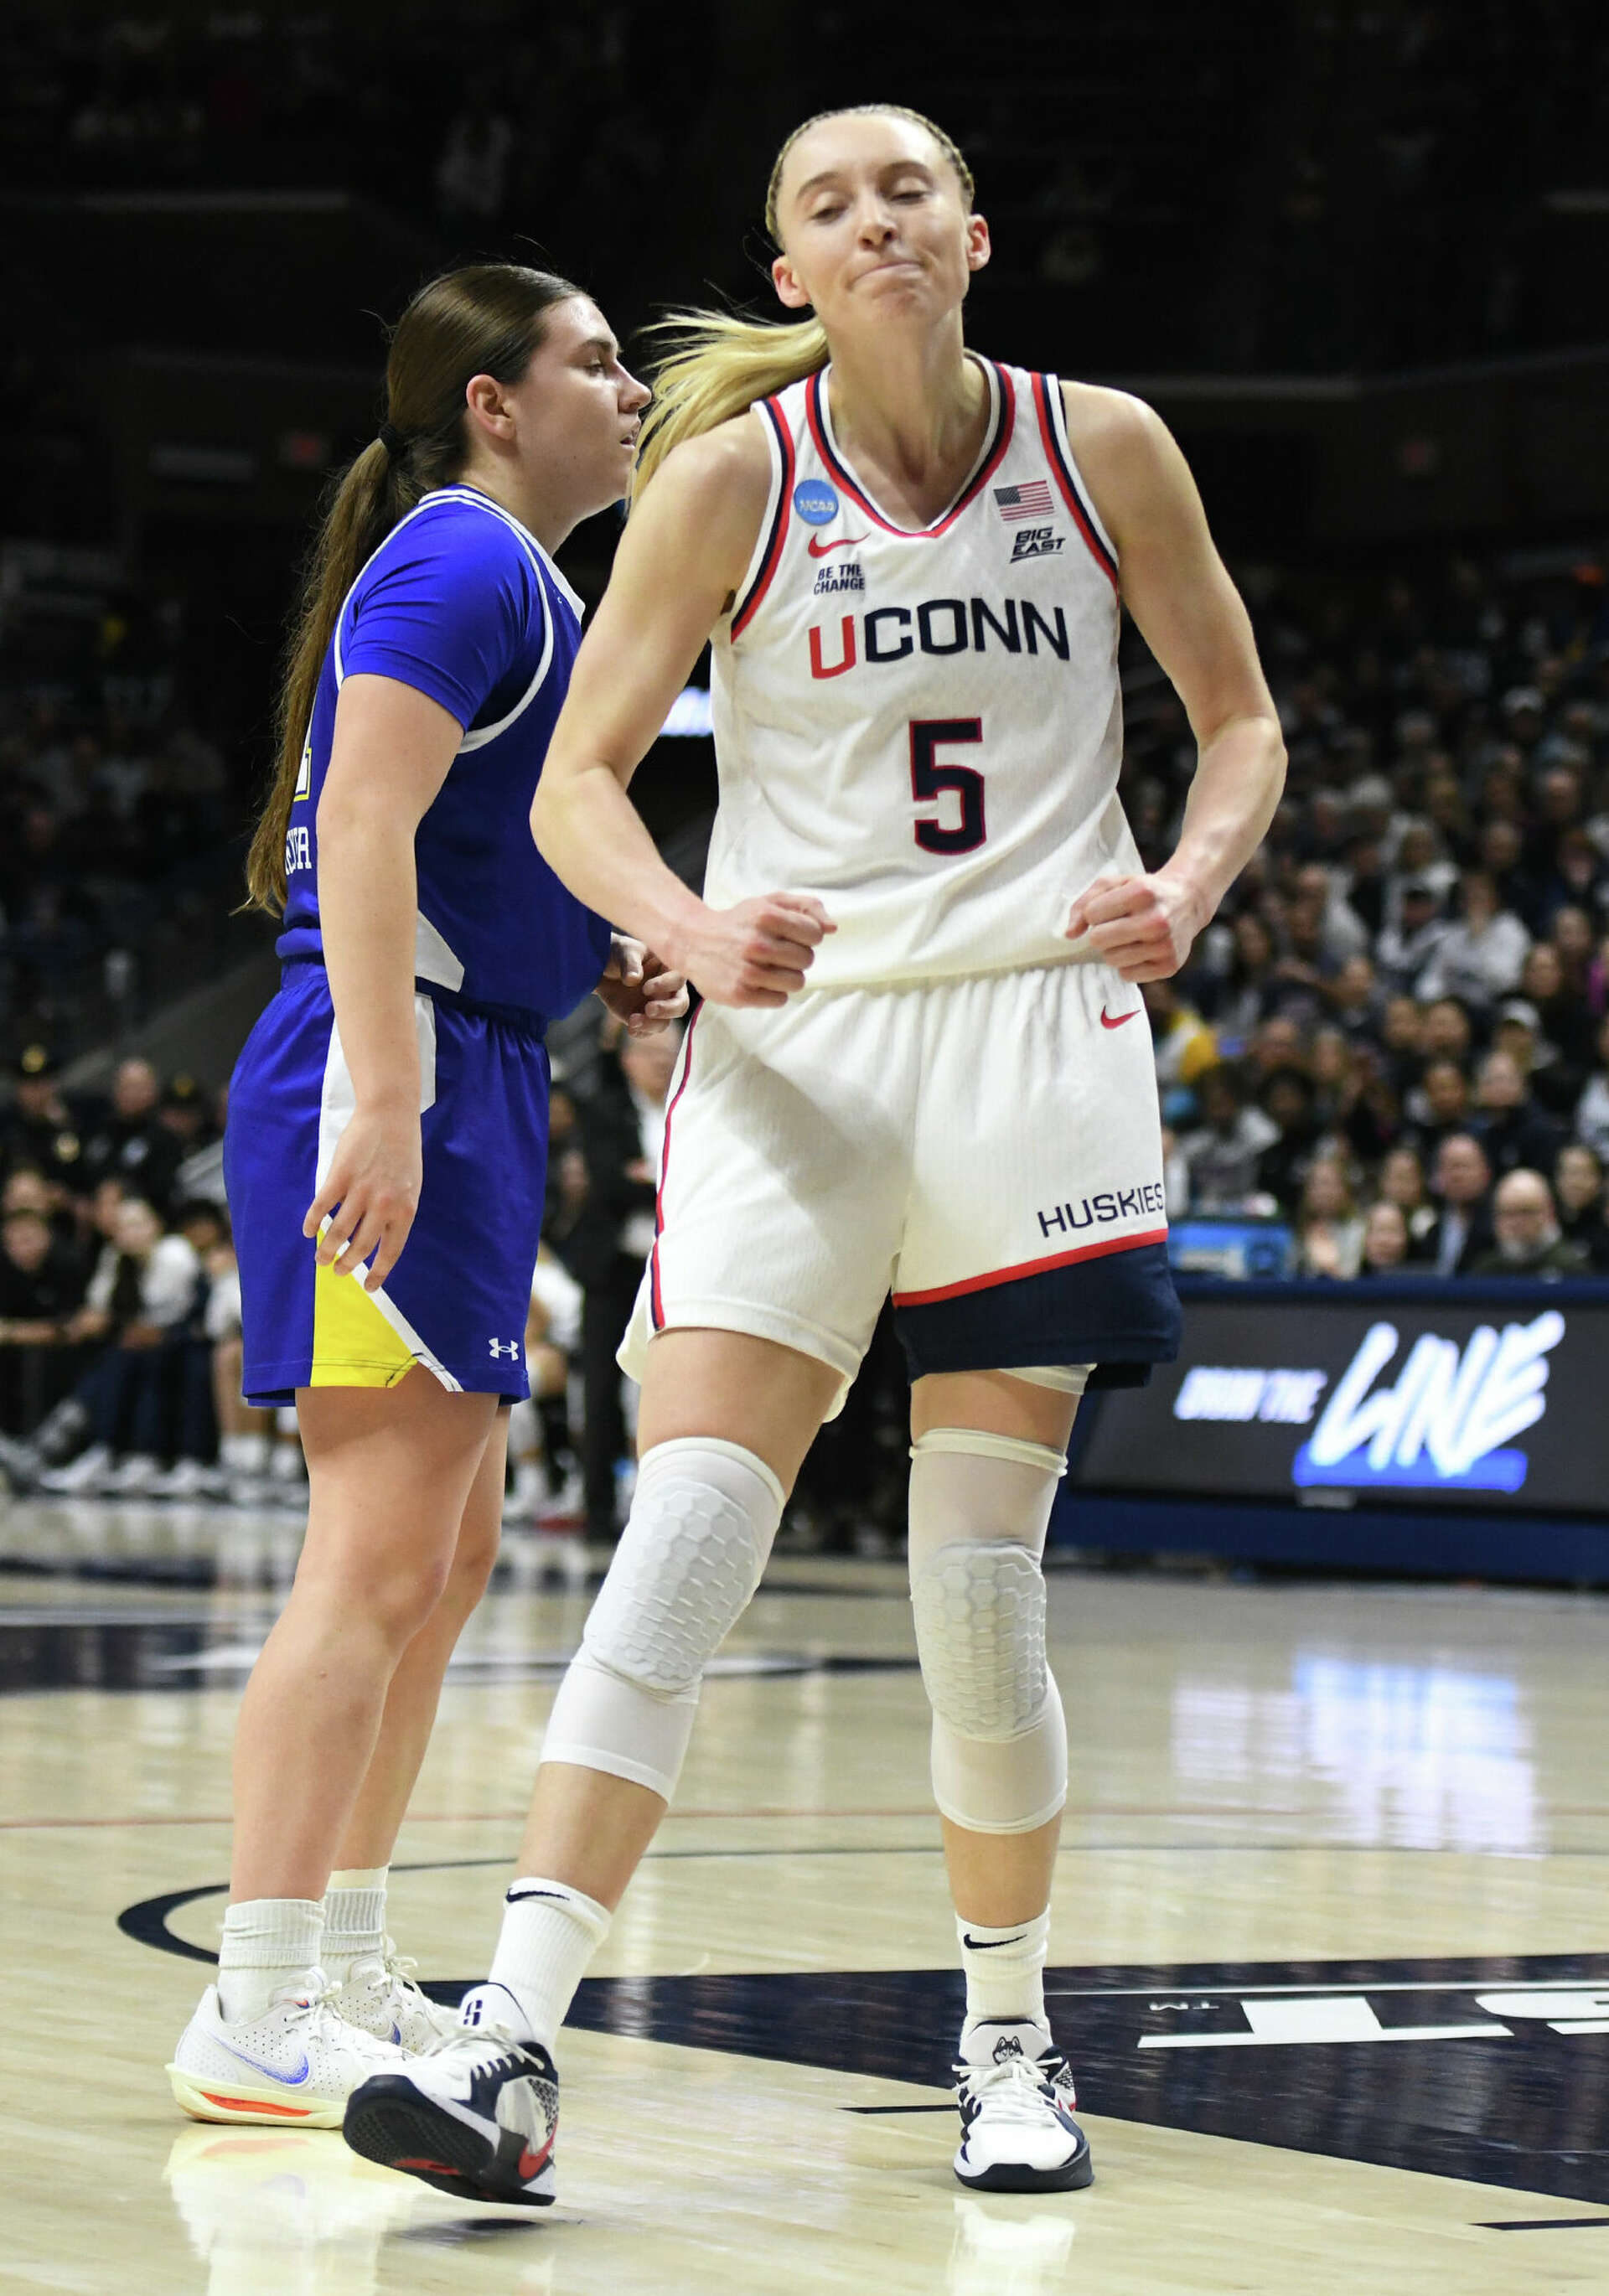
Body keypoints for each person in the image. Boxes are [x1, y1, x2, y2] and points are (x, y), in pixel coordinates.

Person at [344, 105, 1284, 2206]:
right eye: (825, 201)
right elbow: (585, 785)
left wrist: (1193, 882)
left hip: (1038, 1045)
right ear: (789, 272)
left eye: (905, 188)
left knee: (974, 1599)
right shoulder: (727, 481)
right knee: (682, 1540)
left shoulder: (1104, 444)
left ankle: (1012, 2039)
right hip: (798, 1054)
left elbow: (1237, 723)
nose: (873, 218)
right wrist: (679, 927)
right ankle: (511, 2041)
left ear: (971, 233)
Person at [167, 261, 677, 2131]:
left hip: (474, 1057)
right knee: (375, 1553)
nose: (631, 389)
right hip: (394, 1067)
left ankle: (348, 1955)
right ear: (490, 398)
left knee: (446, 1557)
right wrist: (381, 1097)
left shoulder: (522, 578)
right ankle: (256, 1996)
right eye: (598, 360)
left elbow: (469, 831)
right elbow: (360, 819)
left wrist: (591, 948)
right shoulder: (462, 557)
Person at [1466, 1168, 1588, 1278]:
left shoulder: (1570, 1267)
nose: (1517, 1222)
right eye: (1508, 1213)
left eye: (1526, 1211)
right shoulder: (1486, 1270)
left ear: (1549, 1213)